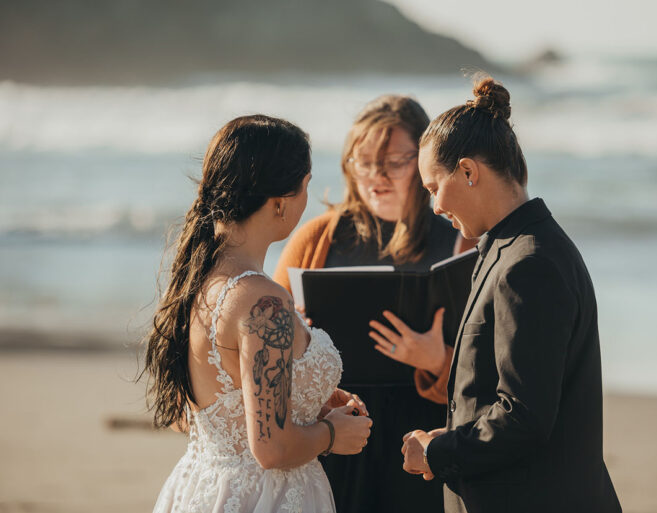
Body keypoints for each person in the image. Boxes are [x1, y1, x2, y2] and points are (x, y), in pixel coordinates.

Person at [399, 77, 622, 512]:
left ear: (468, 171)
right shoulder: (508, 247)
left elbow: (523, 417)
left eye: (432, 188)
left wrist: (436, 453)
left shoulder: (529, 264)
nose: (434, 206)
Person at [142, 114, 373, 513]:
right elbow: (272, 448)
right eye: (306, 186)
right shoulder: (264, 302)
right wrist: (332, 433)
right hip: (264, 497)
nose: (307, 199)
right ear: (280, 203)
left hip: (203, 484)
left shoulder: (195, 280)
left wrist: (305, 400)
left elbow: (199, 411)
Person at [274, 95, 474, 513]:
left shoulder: (459, 240)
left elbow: (492, 366)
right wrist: (298, 334)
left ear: (423, 162)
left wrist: (439, 360)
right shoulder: (318, 238)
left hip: (422, 436)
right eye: (362, 162)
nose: (375, 176)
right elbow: (267, 337)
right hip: (337, 428)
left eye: (393, 163)